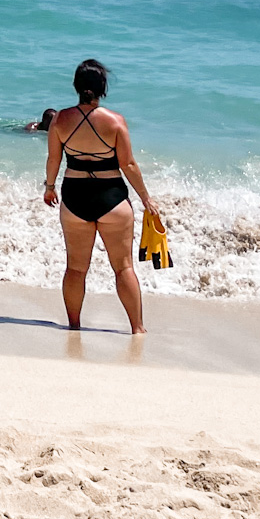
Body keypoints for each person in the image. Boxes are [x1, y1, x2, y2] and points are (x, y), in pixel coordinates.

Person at [43, 59, 154, 334]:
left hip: (74, 197)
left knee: (76, 269)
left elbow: (54, 159)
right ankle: (137, 328)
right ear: (102, 88)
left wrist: (49, 187)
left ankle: (74, 325)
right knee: (123, 268)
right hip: (112, 198)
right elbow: (128, 164)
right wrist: (146, 199)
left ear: (76, 87)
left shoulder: (60, 120)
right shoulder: (116, 121)